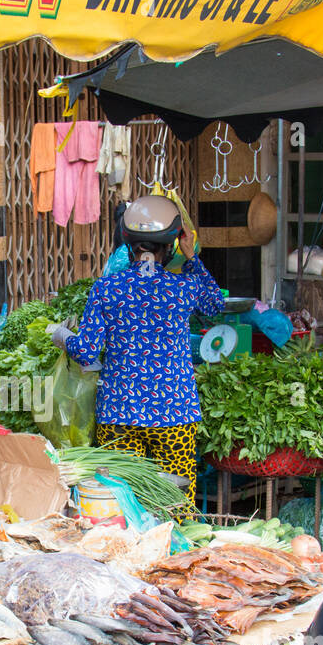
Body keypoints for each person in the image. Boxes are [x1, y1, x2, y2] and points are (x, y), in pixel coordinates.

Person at [48, 194, 223, 507]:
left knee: (123, 502)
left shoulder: (107, 288)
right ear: (170, 246)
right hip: (175, 416)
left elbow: (87, 351)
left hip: (120, 414)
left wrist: (62, 336)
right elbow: (215, 305)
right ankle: (176, 548)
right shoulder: (183, 287)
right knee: (175, 500)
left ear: (128, 244)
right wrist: (192, 256)